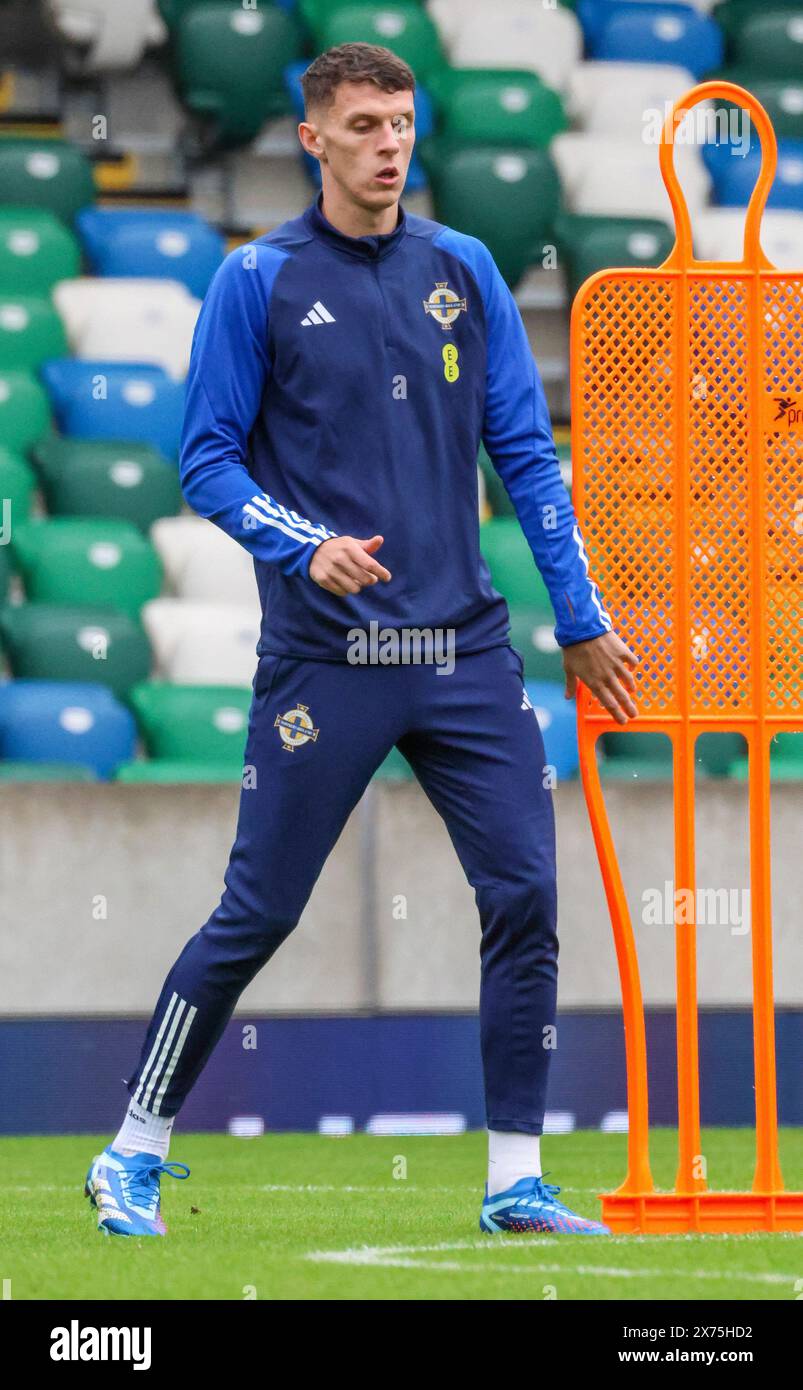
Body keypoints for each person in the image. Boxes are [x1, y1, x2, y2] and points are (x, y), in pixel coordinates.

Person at [85, 42, 638, 1240]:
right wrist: (302, 544)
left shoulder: (468, 266)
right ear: (313, 140)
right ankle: (131, 1147)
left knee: (527, 896)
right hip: (327, 661)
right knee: (258, 913)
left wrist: (581, 619)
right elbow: (205, 459)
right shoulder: (255, 280)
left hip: (465, 654)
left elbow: (526, 457)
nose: (390, 143)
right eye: (365, 125)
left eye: (401, 121)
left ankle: (512, 1181)